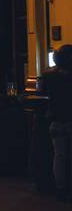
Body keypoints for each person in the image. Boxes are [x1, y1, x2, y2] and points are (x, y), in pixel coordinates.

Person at [39, 45, 72, 199]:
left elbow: (42, 92)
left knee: (59, 156)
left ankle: (60, 188)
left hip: (56, 119)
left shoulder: (49, 76)